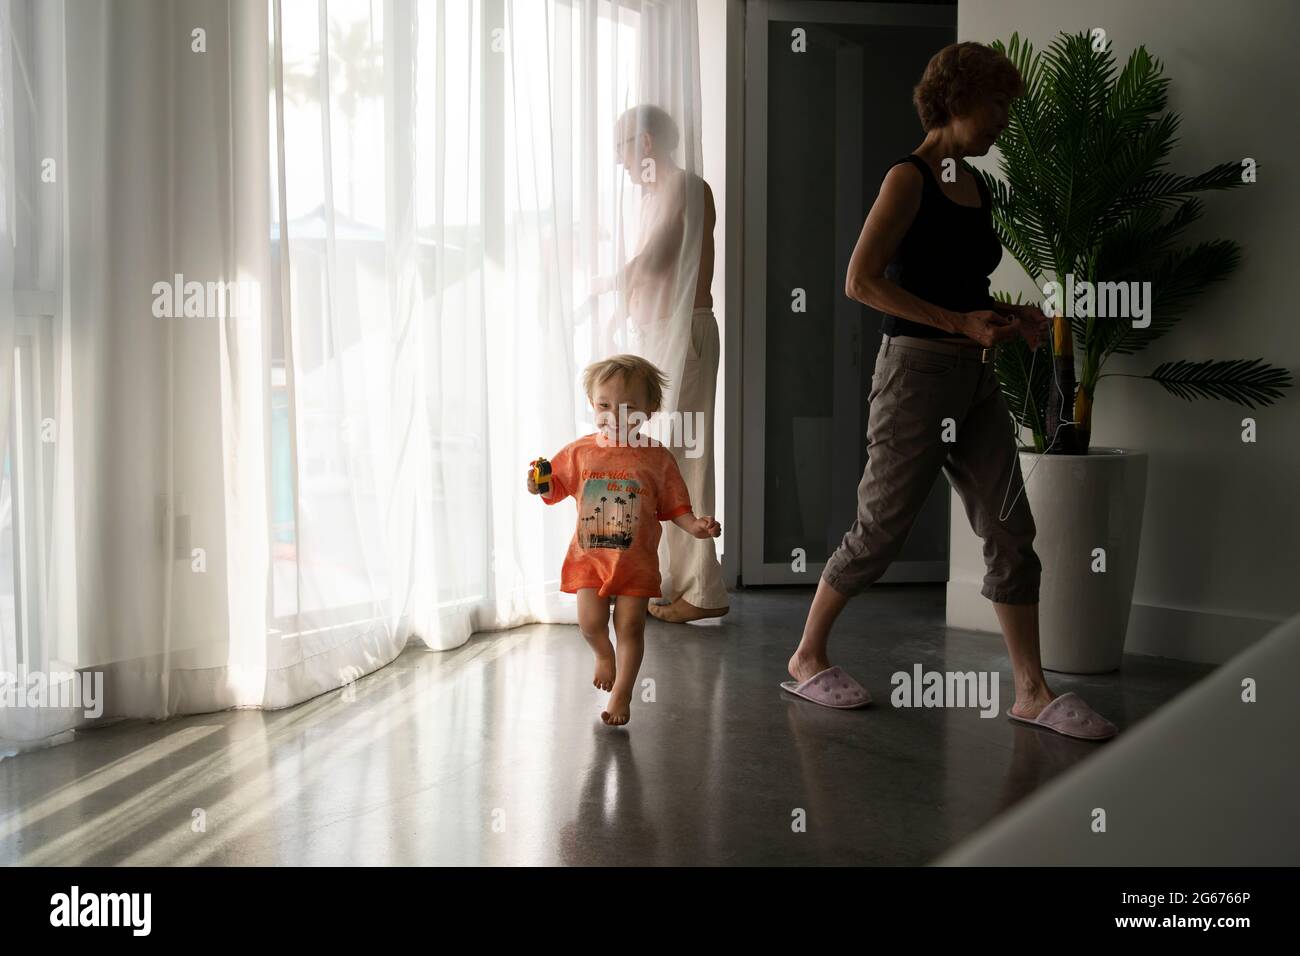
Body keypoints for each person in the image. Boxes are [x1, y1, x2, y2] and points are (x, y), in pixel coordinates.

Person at [782, 42, 1117, 741]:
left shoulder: (977, 184)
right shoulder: (909, 179)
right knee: (879, 533)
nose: (1002, 120)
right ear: (957, 98)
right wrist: (957, 321)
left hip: (973, 375)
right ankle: (808, 654)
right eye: (995, 104)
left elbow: (954, 282)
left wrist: (1006, 316)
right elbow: (861, 282)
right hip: (914, 376)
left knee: (1009, 529)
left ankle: (1031, 690)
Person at [529, 355, 721, 725]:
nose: (614, 416)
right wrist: (538, 483)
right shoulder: (579, 451)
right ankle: (604, 654)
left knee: (631, 626)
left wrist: (695, 525)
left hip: (636, 562)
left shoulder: (657, 458)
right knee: (589, 623)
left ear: (650, 410)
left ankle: (623, 693)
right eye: (604, 406)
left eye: (629, 408)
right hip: (589, 558)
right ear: (591, 403)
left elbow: (674, 506)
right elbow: (553, 486)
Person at [593, 104, 729, 624]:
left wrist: (603, 285)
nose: (619, 162)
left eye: (622, 148)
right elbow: (653, 273)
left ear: (645, 143)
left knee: (685, 455)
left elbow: (653, 260)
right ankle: (667, 578)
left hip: (684, 337)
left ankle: (702, 590)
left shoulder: (685, 187)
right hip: (659, 336)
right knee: (651, 455)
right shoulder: (655, 195)